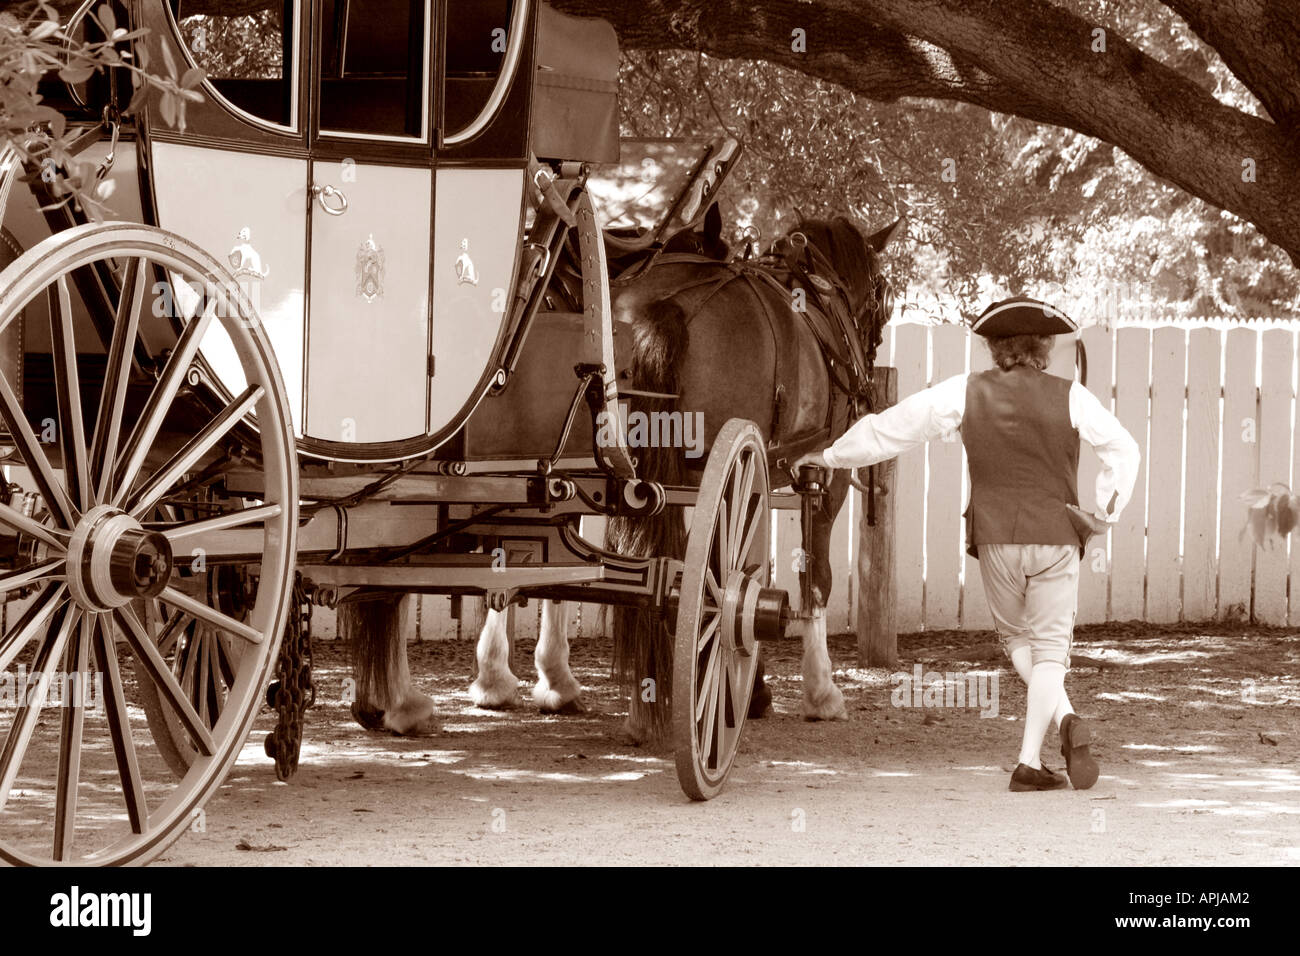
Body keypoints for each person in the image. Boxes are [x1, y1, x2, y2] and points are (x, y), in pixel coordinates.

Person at [795, 297, 1140, 791]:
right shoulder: (1072, 396)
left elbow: (893, 429)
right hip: (1056, 534)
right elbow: (1123, 448)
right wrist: (1105, 511)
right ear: (1043, 348)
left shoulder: (964, 391)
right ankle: (1028, 762)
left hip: (995, 537)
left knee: (1018, 642)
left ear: (996, 349)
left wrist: (830, 455)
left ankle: (1065, 722)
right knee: (1050, 650)